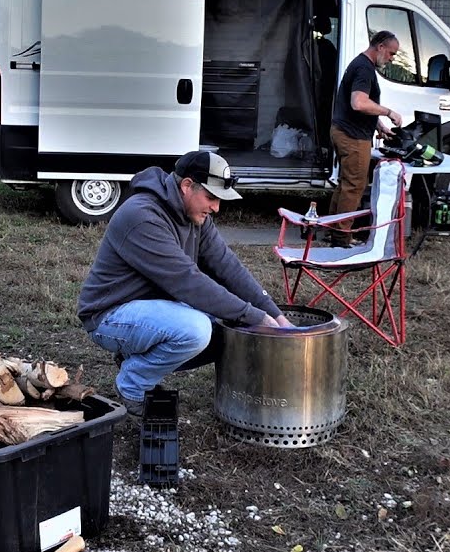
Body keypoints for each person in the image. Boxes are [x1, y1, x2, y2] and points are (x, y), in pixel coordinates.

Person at [77, 150, 295, 416]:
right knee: (196, 330)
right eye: (211, 197)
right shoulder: (142, 217)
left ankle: (136, 358)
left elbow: (228, 268)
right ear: (187, 185)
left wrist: (275, 315)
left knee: (228, 329)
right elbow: (188, 283)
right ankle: (133, 384)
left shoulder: (196, 218)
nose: (216, 207)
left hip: (152, 308)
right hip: (109, 315)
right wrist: (253, 316)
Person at [328, 30, 404, 247]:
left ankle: (331, 230)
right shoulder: (364, 68)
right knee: (354, 186)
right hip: (352, 137)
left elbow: (360, 107)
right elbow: (358, 103)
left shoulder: (361, 65)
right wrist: (388, 112)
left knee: (345, 184)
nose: (391, 59)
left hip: (344, 131)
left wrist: (378, 124)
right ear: (380, 47)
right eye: (391, 53)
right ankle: (342, 239)